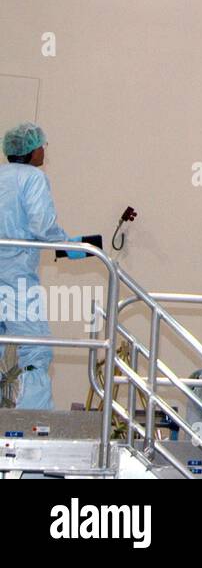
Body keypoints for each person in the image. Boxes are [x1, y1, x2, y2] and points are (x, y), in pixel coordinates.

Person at [0, 123, 89, 410]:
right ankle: (31, 418)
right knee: (35, 348)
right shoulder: (33, 178)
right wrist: (67, 244)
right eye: (42, 146)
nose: (44, 151)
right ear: (31, 149)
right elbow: (41, 223)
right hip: (16, 277)